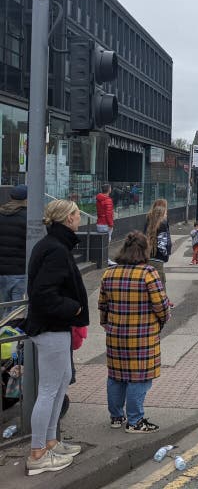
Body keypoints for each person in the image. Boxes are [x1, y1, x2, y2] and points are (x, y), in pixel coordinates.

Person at [24, 200, 88, 475]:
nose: (79, 218)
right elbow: (43, 294)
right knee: (49, 390)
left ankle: (50, 442)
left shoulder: (54, 245)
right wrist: (72, 308)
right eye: (76, 214)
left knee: (59, 384)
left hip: (55, 327)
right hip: (50, 327)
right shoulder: (55, 250)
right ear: (68, 218)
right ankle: (37, 453)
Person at [99, 231, 170, 433]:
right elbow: (161, 306)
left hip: (115, 333)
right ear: (144, 250)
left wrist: (105, 323)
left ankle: (115, 417)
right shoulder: (148, 273)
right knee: (139, 377)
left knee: (116, 375)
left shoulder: (109, 273)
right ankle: (135, 421)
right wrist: (163, 320)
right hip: (142, 335)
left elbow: (102, 304)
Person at [0, 184, 27, 317]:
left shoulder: (1, 214)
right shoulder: (28, 217)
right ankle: (9, 336)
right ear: (27, 199)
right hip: (19, 271)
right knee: (16, 311)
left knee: (4, 306)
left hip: (2, 272)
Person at [144, 200, 172, 289]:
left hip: (148, 256)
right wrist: (166, 255)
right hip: (158, 259)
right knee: (159, 287)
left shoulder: (149, 220)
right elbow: (162, 244)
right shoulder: (163, 224)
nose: (167, 213)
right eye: (166, 212)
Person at [96, 183, 114, 264]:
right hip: (106, 224)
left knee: (101, 242)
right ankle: (106, 259)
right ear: (109, 189)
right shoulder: (108, 200)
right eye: (110, 188)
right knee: (106, 242)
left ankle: (101, 258)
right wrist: (111, 224)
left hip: (99, 223)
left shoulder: (99, 199)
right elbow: (108, 213)